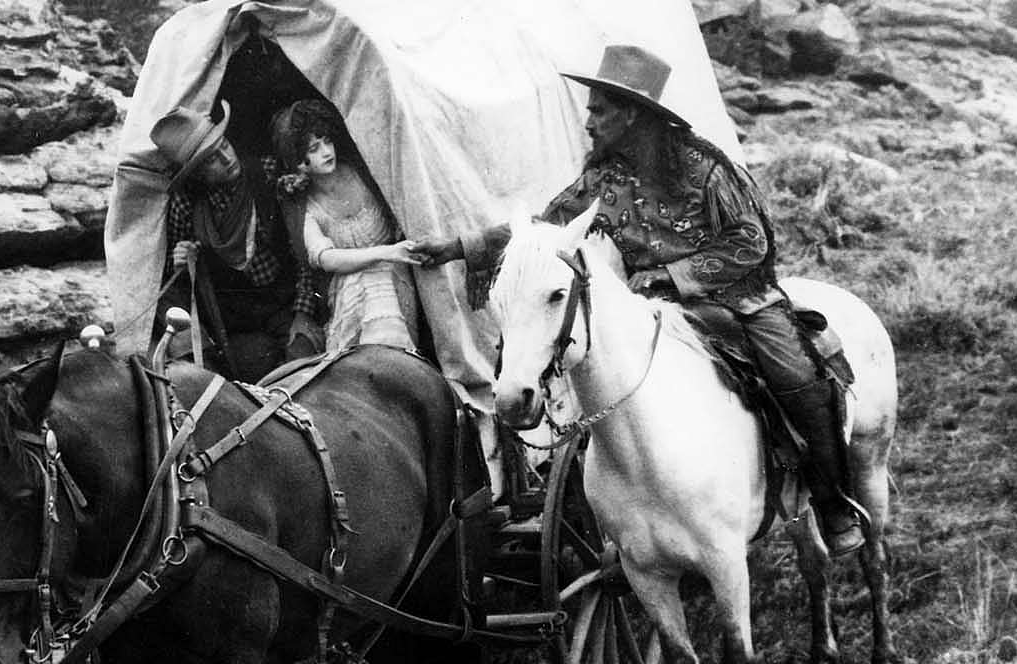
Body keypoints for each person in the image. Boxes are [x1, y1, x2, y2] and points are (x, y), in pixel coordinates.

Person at [411, 43, 868, 556]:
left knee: (798, 378)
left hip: (742, 301)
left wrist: (672, 276)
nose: (589, 122)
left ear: (633, 115)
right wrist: (456, 248)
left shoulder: (705, 168)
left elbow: (751, 241)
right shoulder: (603, 180)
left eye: (600, 111)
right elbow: (543, 229)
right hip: (654, 307)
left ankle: (831, 502)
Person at [149, 101, 325, 379]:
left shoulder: (269, 174)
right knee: (247, 372)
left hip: (285, 304)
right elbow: (175, 278)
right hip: (235, 318)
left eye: (225, 146)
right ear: (196, 173)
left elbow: (303, 254)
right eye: (212, 159)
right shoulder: (189, 204)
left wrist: (303, 314)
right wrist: (181, 260)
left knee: (301, 366)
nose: (227, 158)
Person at [270, 99, 423, 351]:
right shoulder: (306, 207)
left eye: (327, 141)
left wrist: (393, 254)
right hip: (348, 286)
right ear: (299, 160)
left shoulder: (362, 172)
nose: (326, 152)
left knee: (385, 308)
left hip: (394, 273)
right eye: (314, 148)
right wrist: (386, 252)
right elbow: (326, 259)